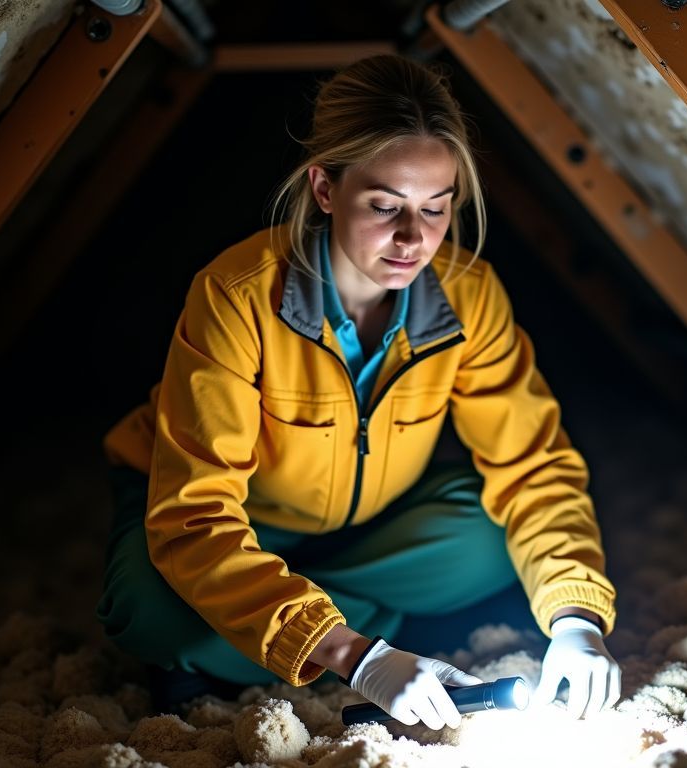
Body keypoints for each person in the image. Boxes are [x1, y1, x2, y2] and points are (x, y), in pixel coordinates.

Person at [96, 54, 620, 730]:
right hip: (236, 520)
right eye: (385, 206)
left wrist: (578, 621)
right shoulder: (236, 295)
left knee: (496, 536)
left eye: (436, 207)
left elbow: (534, 468)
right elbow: (195, 519)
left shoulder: (471, 296)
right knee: (144, 613)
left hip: (374, 527)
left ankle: (259, 635)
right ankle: (326, 625)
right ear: (323, 189)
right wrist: (357, 655)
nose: (415, 238)